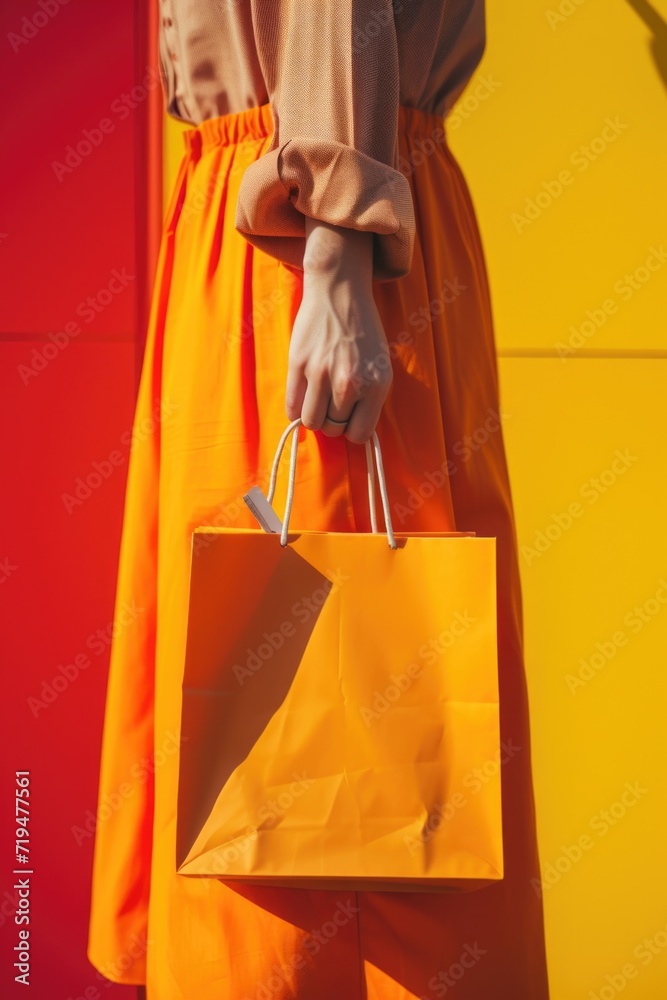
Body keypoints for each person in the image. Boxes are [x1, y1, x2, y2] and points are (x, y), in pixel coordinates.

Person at [87, 2, 551, 997]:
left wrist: (338, 248)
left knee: (322, 687)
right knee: (276, 664)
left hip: (302, 241)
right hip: (277, 216)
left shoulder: (327, 227)